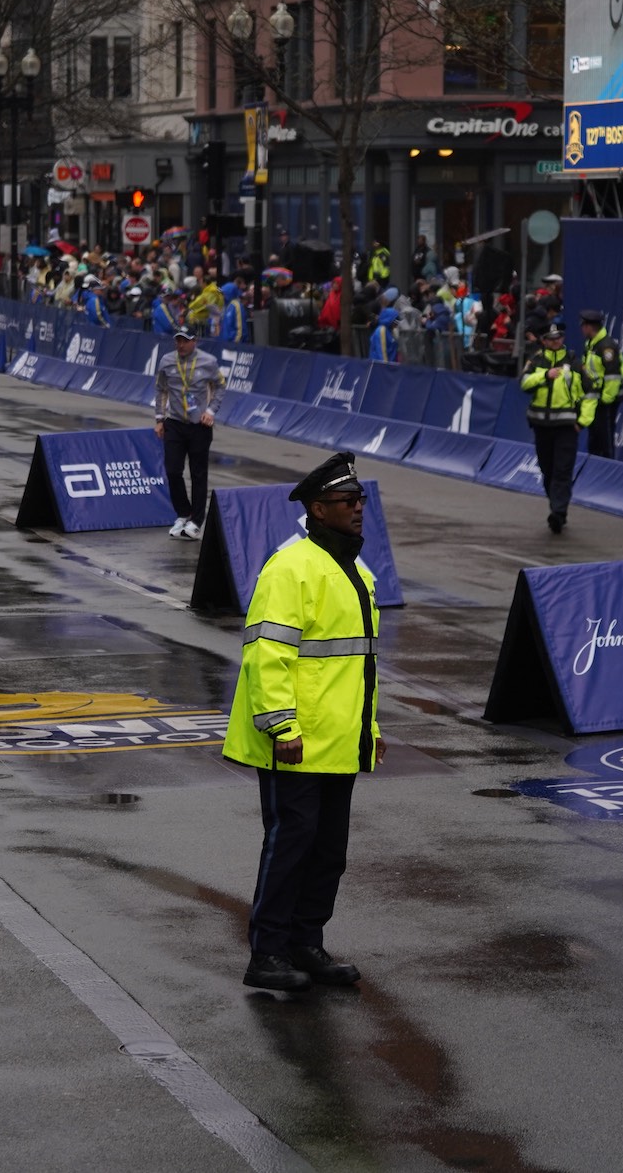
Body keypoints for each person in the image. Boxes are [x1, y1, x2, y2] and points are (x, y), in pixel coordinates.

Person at [222, 451, 383, 993]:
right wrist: (281, 726)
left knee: (328, 849)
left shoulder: (358, 571)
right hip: (294, 740)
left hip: (339, 740)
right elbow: (267, 653)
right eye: (348, 501)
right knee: (291, 843)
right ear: (318, 508)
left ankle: (306, 942)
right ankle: (266, 952)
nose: (359, 509)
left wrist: (371, 731)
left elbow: (361, 667)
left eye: (361, 500)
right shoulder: (289, 567)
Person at [521, 321, 589, 532]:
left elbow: (590, 394)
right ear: (544, 341)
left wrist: (582, 421)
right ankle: (556, 505)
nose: (555, 341)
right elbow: (524, 383)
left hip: (567, 426)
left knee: (562, 470)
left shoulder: (574, 362)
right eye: (551, 339)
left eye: (558, 338)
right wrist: (544, 376)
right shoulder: (536, 361)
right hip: (542, 425)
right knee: (547, 470)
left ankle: (558, 513)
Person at [156, 326, 223, 540]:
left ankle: (196, 522)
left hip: (199, 426)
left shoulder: (208, 362)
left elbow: (220, 386)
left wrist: (211, 411)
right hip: (174, 423)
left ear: (195, 340)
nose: (181, 345)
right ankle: (183, 513)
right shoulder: (166, 360)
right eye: (178, 340)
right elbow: (160, 389)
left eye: (185, 340)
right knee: (173, 470)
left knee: (198, 474)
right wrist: (159, 419)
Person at [578, 310, 623, 459]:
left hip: (606, 400)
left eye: (583, 326)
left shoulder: (606, 347)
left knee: (605, 438)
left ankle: (608, 469)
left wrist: (606, 399)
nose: (581, 329)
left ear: (589, 327)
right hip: (594, 397)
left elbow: (613, 375)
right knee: (595, 436)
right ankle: (593, 465)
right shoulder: (591, 344)